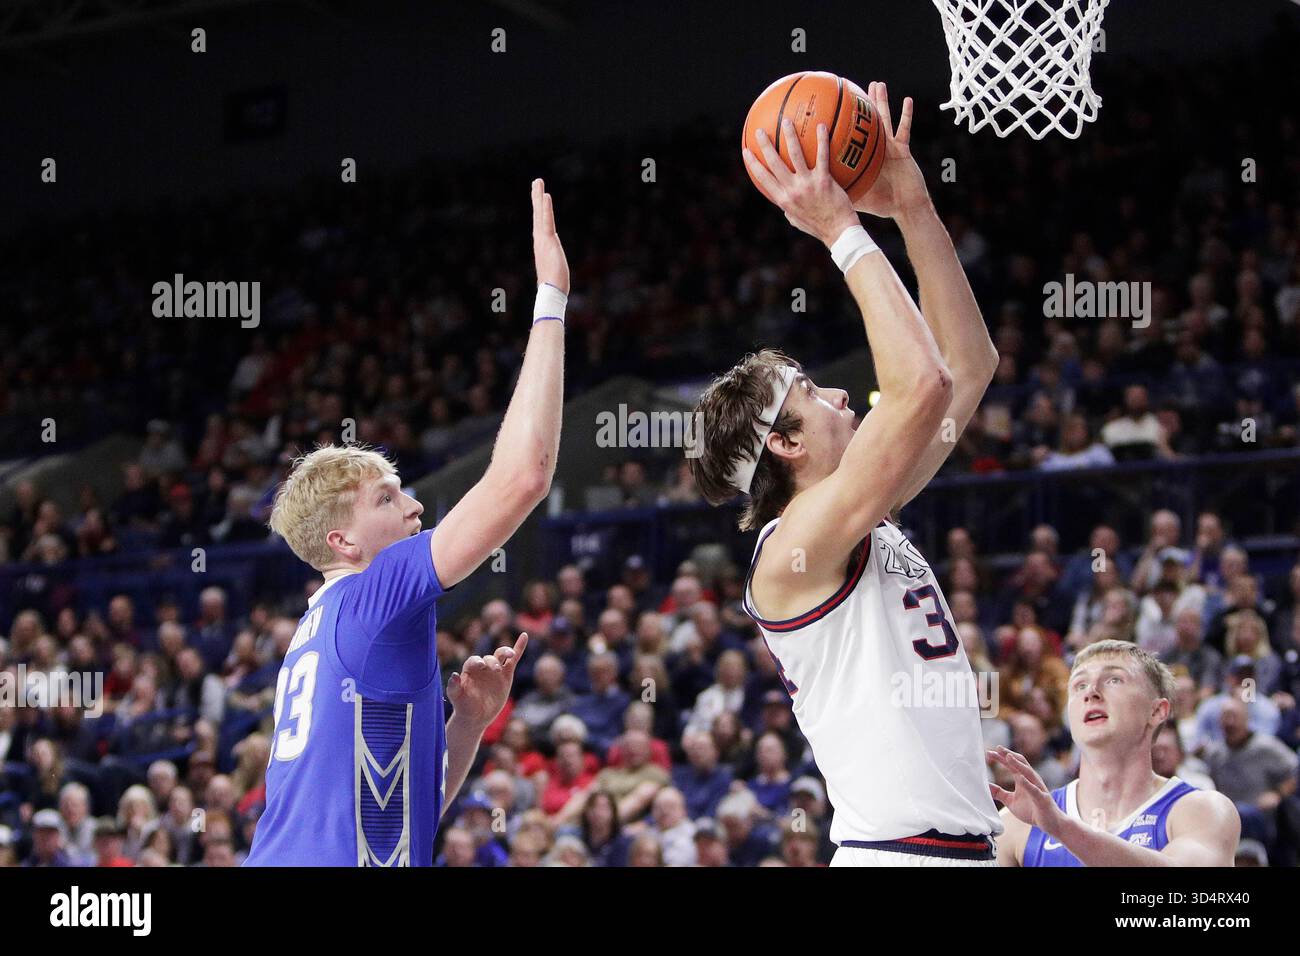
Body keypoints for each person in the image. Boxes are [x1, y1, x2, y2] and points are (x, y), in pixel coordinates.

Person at [692, 83, 1001, 866]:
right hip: (897, 855)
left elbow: (966, 367)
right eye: (811, 392)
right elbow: (922, 385)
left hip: (949, 851)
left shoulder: (866, 506)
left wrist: (915, 212)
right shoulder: (794, 545)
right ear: (786, 445)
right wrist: (841, 229)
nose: (838, 394)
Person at [245, 180, 569, 867]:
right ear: (344, 542)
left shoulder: (320, 630)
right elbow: (524, 477)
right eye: (389, 499)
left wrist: (468, 724)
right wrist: (552, 301)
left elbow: (398, 822)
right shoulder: (374, 591)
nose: (417, 506)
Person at [994, 641, 1239, 866]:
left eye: (1113, 680)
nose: (1091, 692)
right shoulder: (1016, 825)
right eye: (1079, 685)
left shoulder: (1201, 809)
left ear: (1156, 711)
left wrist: (1064, 829)